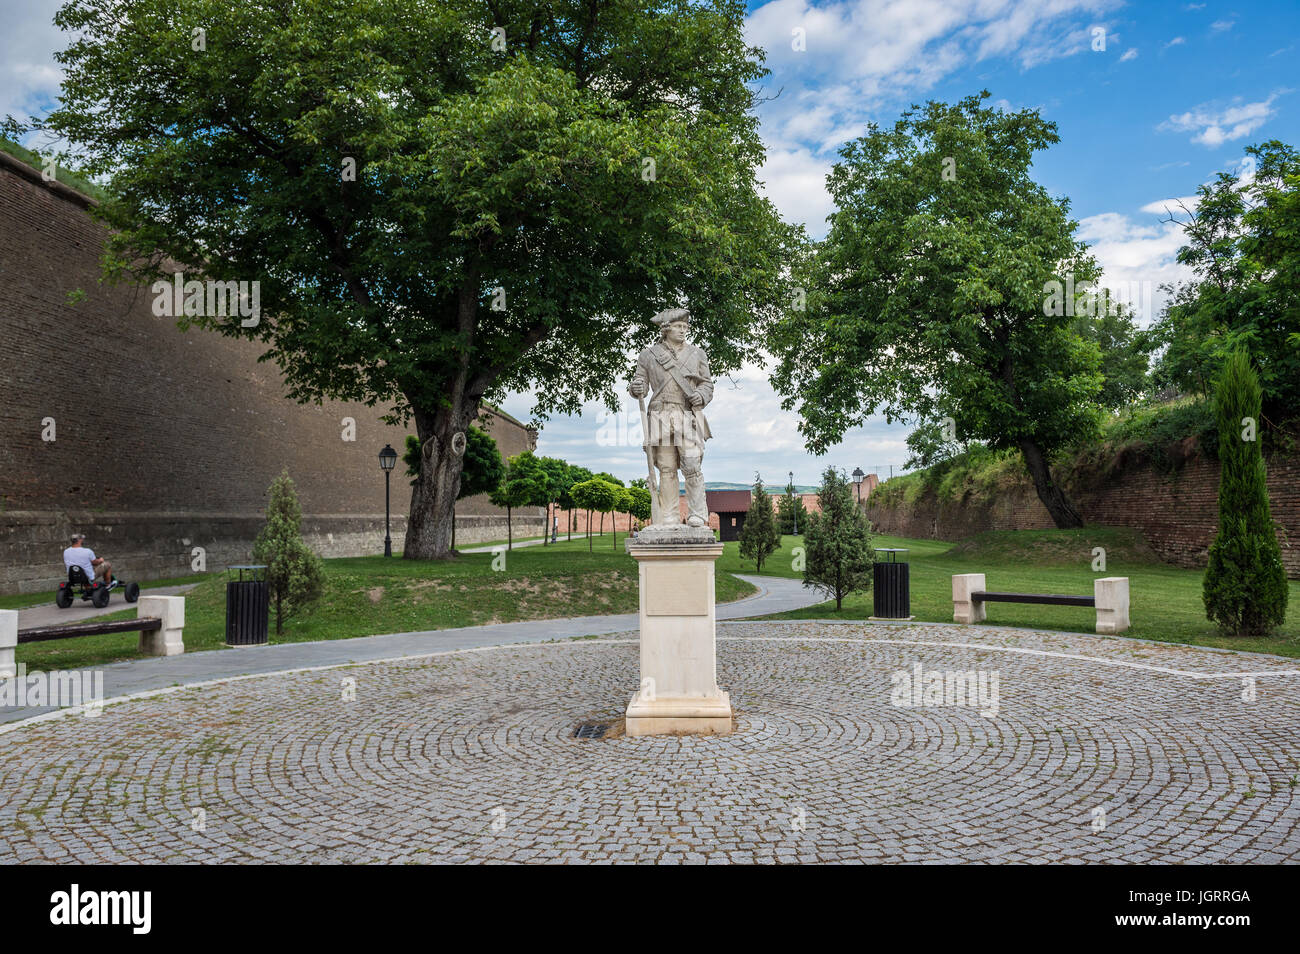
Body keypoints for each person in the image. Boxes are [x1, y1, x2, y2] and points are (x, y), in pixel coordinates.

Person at [628, 307, 713, 527]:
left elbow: (706, 384)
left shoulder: (697, 354)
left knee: (692, 464)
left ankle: (698, 513)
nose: (683, 331)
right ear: (666, 329)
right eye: (677, 326)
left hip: (686, 414)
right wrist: (635, 387)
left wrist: (700, 396)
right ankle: (669, 515)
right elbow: (641, 385)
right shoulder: (648, 355)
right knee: (666, 467)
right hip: (660, 414)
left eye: (685, 327)